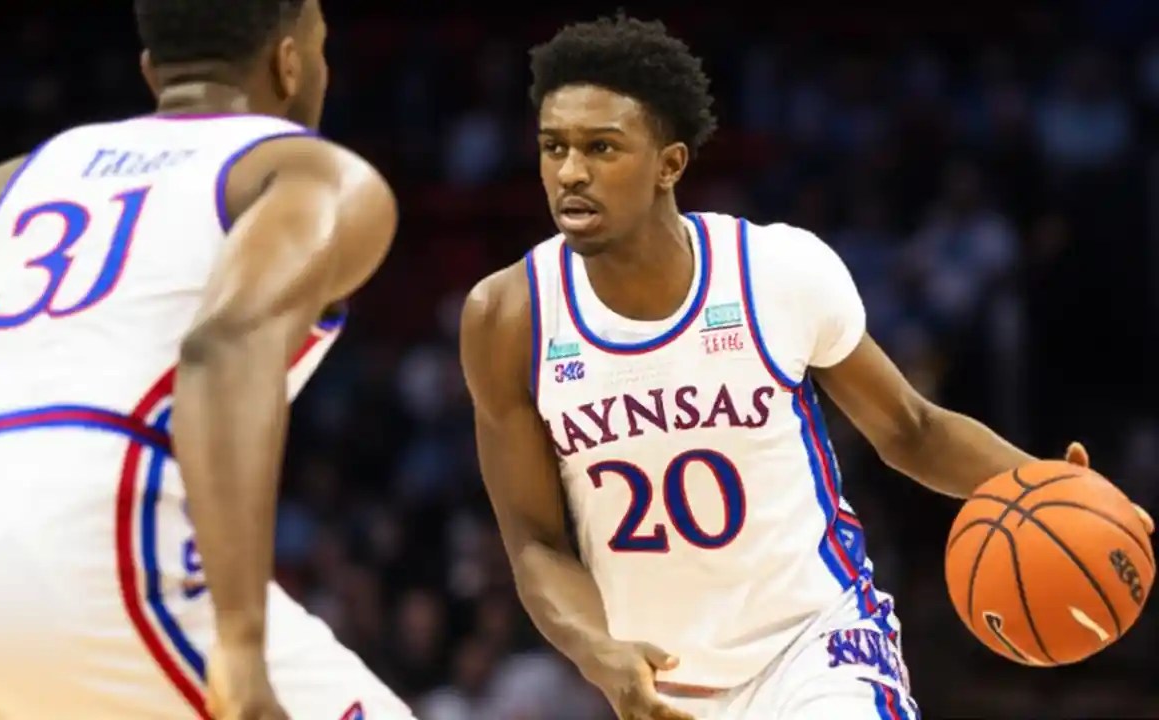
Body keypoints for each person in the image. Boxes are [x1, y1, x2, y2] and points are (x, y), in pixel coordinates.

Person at [458, 14, 1153, 720]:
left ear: (670, 164)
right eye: (554, 148)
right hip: (665, 684)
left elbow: (909, 428)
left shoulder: (775, 271)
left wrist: (1042, 485)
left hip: (817, 648)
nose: (570, 172)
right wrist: (595, 649)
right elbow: (537, 544)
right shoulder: (507, 318)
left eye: (601, 148)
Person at [0, 1, 413, 718]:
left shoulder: (15, 180)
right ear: (290, 61)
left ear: (153, 70)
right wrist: (241, 646)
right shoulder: (312, 174)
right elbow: (223, 348)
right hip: (95, 531)